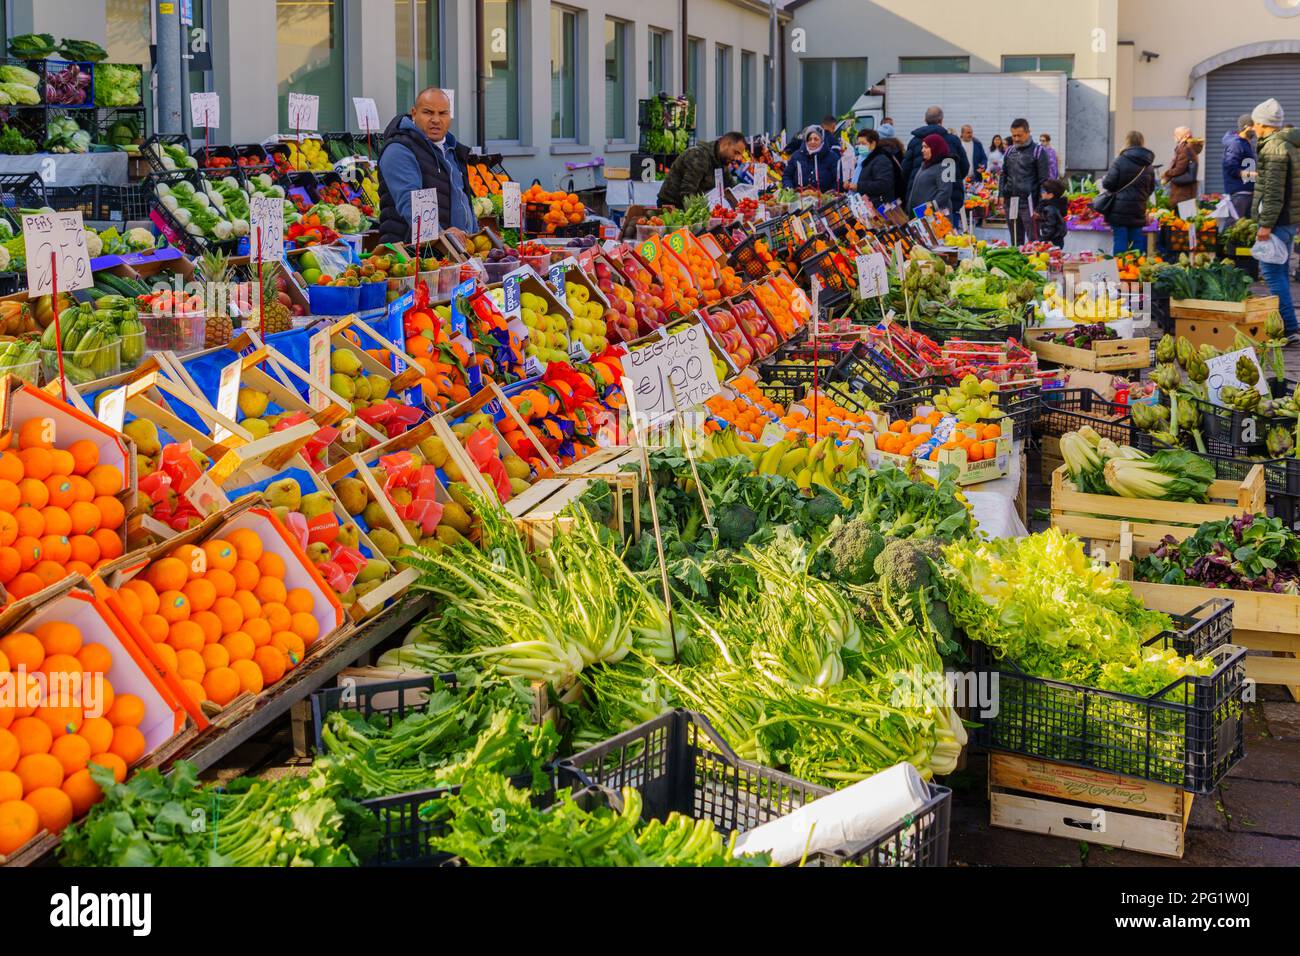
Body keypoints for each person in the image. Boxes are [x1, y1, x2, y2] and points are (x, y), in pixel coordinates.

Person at [377, 87, 477, 247]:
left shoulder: (452, 149)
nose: (436, 120)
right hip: (413, 255)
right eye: (428, 112)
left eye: (443, 113)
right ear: (414, 113)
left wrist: (476, 238)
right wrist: (440, 237)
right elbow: (409, 200)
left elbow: (464, 200)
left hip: (454, 251)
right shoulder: (399, 149)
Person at [1250, 98, 1300, 338]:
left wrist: (1266, 225)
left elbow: (1273, 190)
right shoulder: (1289, 143)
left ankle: (1289, 327)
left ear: (1263, 124)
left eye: (1255, 123)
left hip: (1278, 221)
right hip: (1289, 219)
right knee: (1279, 272)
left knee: (1272, 273)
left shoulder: (1273, 147)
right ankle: (1289, 325)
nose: (1253, 128)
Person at [901, 106, 968, 216]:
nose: (923, 150)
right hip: (946, 199)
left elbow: (906, 169)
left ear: (925, 119)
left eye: (926, 147)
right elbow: (964, 167)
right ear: (941, 120)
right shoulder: (953, 140)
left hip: (926, 204)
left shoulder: (914, 141)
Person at [1099, 130, 1156, 255]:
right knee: (1137, 241)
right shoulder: (1148, 165)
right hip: (1138, 209)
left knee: (1120, 240)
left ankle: (1121, 271)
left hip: (1119, 209)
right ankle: (1137, 269)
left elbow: (1108, 183)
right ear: (1142, 142)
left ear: (1127, 142)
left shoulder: (1119, 161)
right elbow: (1151, 189)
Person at [657, 131, 748, 208]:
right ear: (725, 144)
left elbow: (732, 186)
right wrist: (701, 218)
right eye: (736, 152)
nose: (738, 158)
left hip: (693, 206)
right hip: (671, 206)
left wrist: (745, 202)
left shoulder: (721, 161)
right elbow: (687, 193)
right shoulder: (699, 156)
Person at [1000, 118, 1051, 246]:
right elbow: (1003, 174)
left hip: (1030, 204)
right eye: (1013, 135)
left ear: (1028, 133)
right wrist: (1001, 194)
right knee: (1016, 241)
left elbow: (1044, 182)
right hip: (1011, 202)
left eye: (1019, 135)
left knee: (1034, 241)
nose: (1016, 139)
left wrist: (1039, 207)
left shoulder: (1039, 152)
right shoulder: (1009, 151)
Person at [856, 127, 906, 206]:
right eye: (858, 144)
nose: (860, 146)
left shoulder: (881, 160)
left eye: (863, 143)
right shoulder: (866, 159)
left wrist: (858, 186)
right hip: (870, 204)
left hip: (879, 205)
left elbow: (883, 184)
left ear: (873, 144)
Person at [783, 125, 840, 192]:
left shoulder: (832, 157)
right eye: (809, 139)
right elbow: (787, 176)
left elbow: (838, 180)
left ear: (822, 140)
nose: (812, 142)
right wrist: (789, 189)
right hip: (799, 198)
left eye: (816, 139)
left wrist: (830, 194)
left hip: (824, 200)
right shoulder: (797, 156)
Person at [907, 134, 955, 215]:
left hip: (934, 219)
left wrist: (927, 210)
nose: (922, 150)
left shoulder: (945, 166)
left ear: (935, 148)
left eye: (926, 147)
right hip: (920, 215)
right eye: (922, 147)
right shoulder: (925, 164)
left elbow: (945, 193)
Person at [1222, 113, 1257, 219]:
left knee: (1245, 229)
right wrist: (1255, 175)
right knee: (1233, 226)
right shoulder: (1236, 144)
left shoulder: (1247, 144)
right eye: (1254, 126)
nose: (1256, 129)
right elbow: (1231, 168)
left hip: (1248, 192)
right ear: (1246, 127)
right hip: (1239, 193)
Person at [1162, 126, 1203, 206]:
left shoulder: (1185, 148)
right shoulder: (1189, 146)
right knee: (1187, 215)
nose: (1174, 137)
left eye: (1176, 134)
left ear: (1184, 136)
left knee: (1182, 215)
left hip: (1182, 192)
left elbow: (1179, 169)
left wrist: (1166, 174)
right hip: (1187, 190)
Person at [1035, 177, 1069, 248]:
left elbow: (1050, 227)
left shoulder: (1049, 209)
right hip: (1057, 239)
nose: (1041, 193)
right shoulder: (1057, 205)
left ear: (1050, 195)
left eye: (1043, 191)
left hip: (1051, 241)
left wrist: (1042, 240)